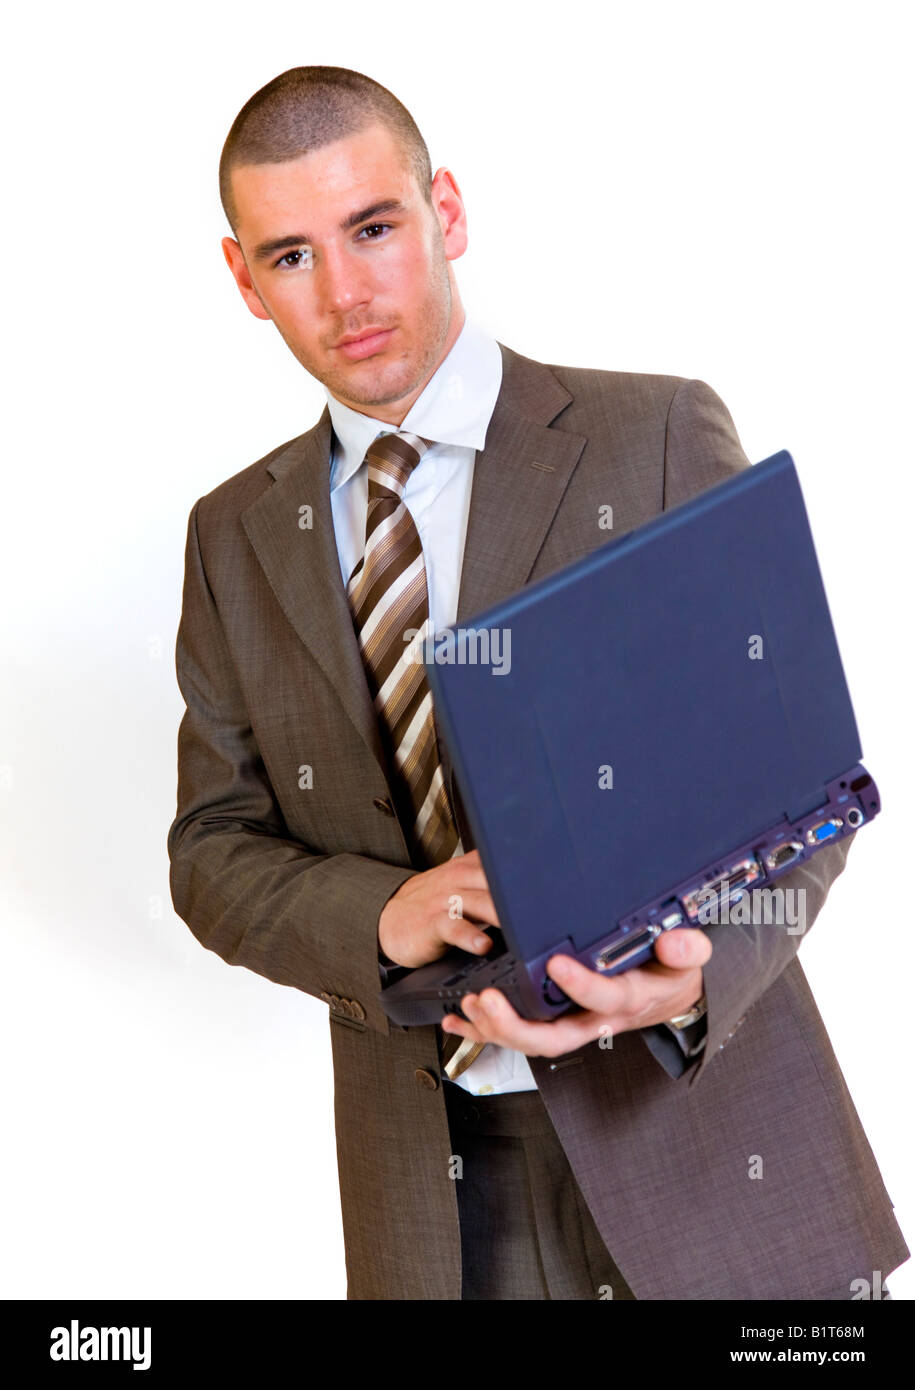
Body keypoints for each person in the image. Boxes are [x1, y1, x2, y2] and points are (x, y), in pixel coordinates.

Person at [168, 64, 909, 1300]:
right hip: (440, 1202)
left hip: (710, 1150)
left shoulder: (654, 434)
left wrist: (698, 971)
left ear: (445, 213)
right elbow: (211, 847)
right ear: (244, 280)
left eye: (374, 228)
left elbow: (800, 791)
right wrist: (380, 915)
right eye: (291, 256)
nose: (346, 293)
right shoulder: (231, 534)